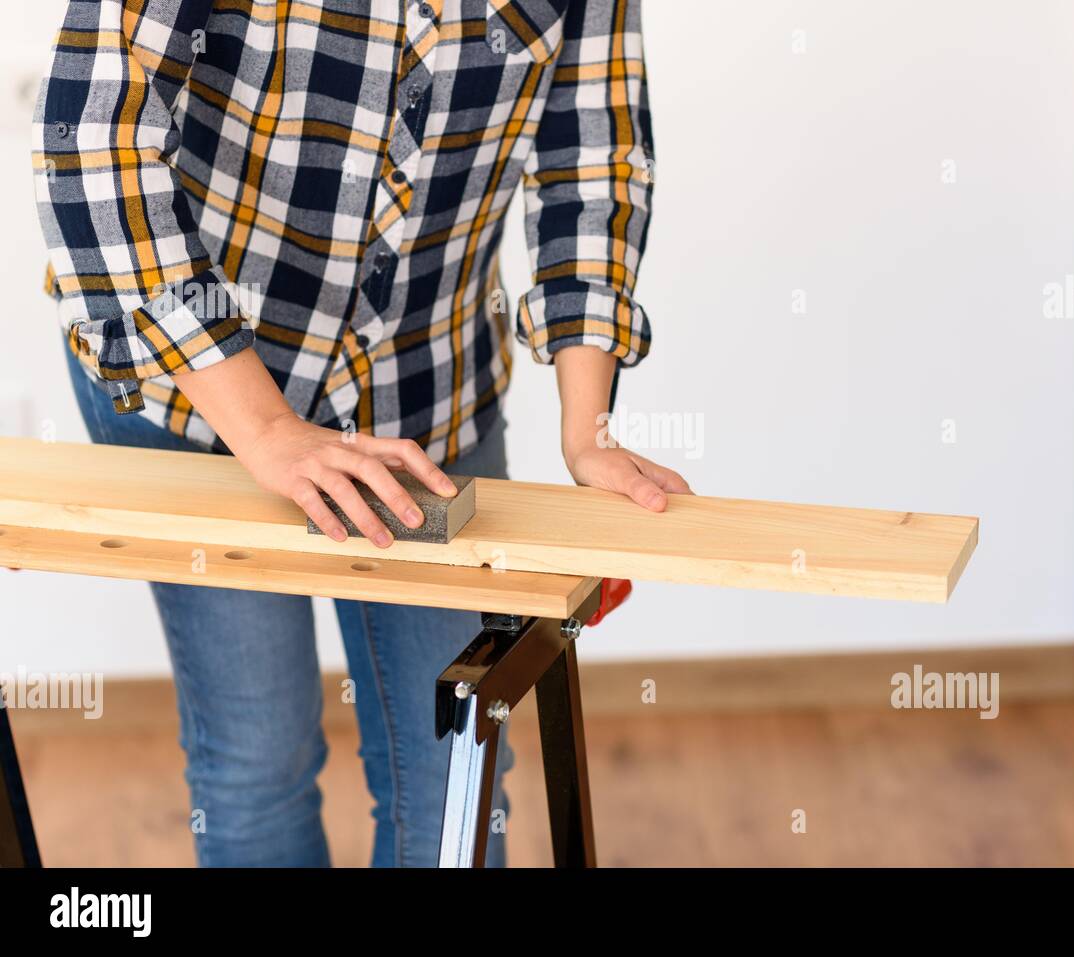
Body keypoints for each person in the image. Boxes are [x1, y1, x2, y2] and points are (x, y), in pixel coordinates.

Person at [31, 0, 687, 867]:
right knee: (259, 757)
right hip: (196, 382)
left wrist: (586, 427)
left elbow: (591, 154)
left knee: (459, 776)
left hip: (425, 391)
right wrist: (265, 426)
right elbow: (91, 137)